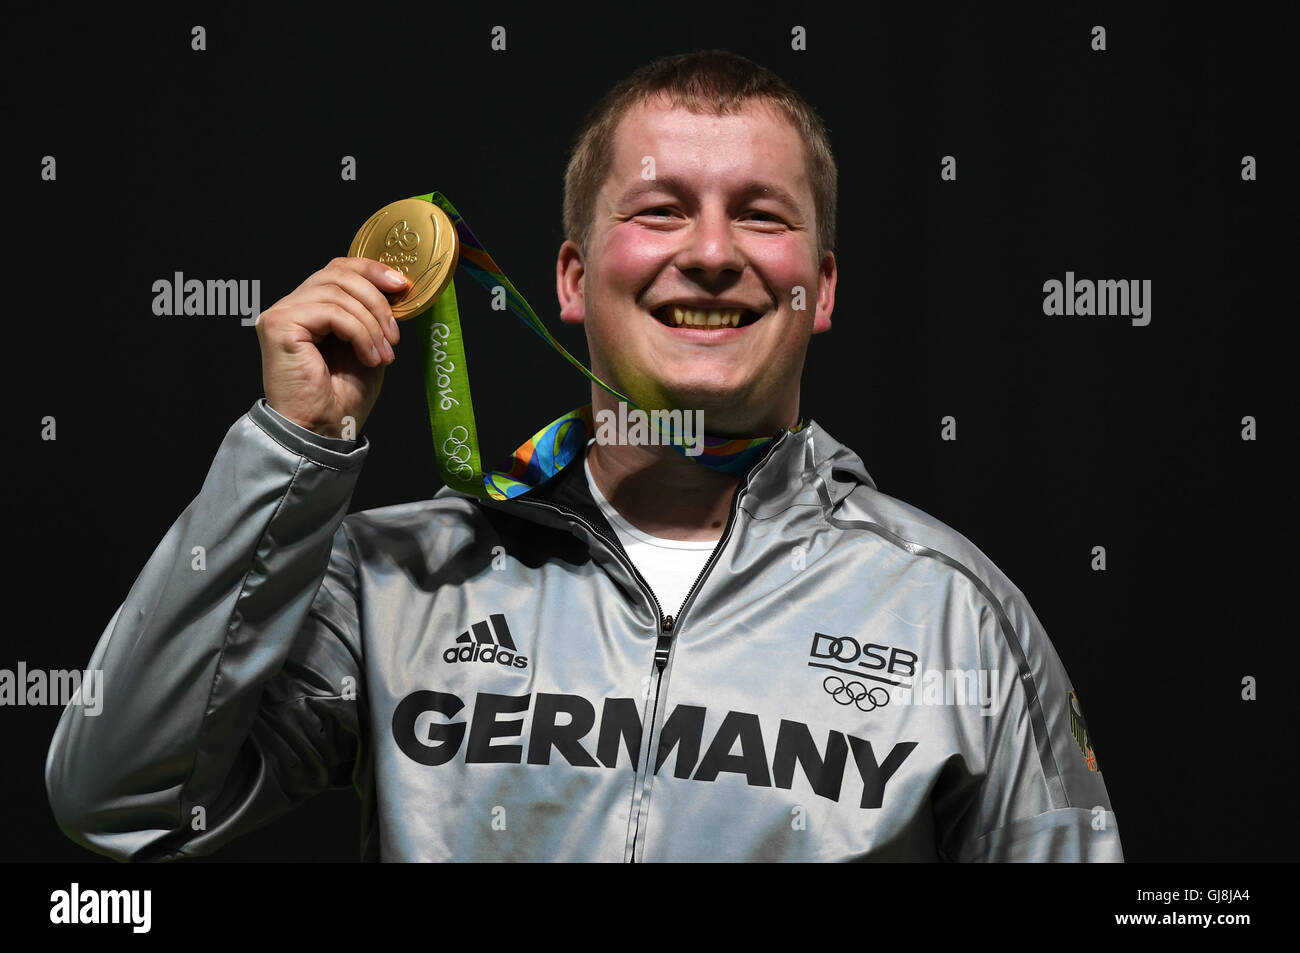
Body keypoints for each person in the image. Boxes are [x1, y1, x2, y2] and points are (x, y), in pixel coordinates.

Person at [45, 50, 1123, 862]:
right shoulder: (399, 580)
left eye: (759, 215)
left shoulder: (948, 610)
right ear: (568, 278)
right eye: (659, 211)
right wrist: (290, 450)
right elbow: (118, 798)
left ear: (821, 289)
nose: (709, 253)